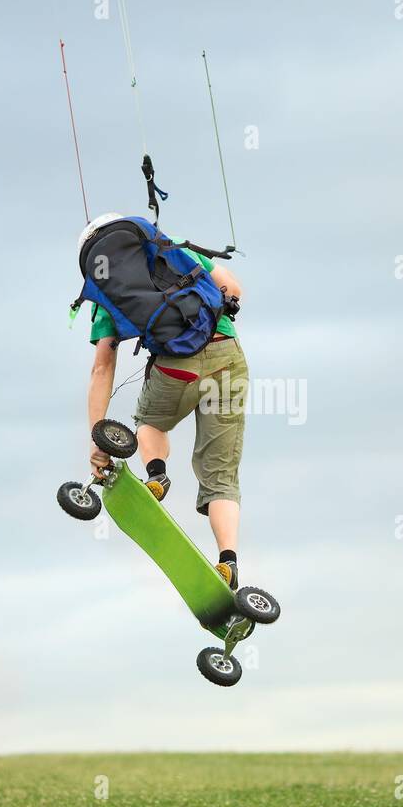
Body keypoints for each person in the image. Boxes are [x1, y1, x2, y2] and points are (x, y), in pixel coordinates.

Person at [81, 213, 248, 589]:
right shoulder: (174, 248)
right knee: (221, 475)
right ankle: (228, 562)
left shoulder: (107, 289)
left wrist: (98, 438)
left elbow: (102, 366)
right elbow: (232, 288)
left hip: (177, 368)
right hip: (228, 356)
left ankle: (157, 476)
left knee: (150, 421)